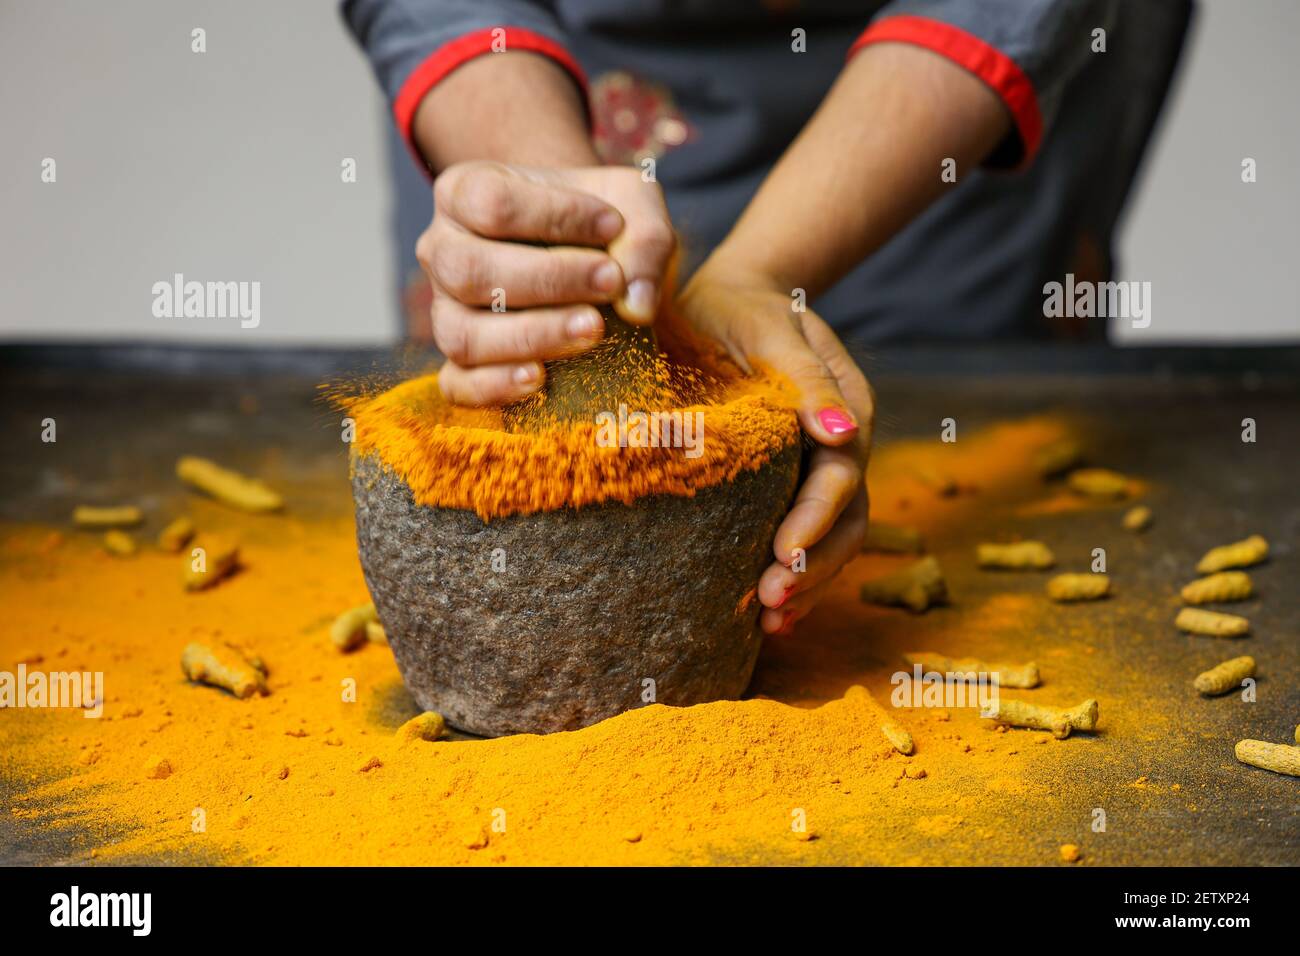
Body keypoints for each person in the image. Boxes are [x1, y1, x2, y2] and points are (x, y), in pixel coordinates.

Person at [342, 0, 1191, 635]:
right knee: (527, 362)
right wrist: (554, 205)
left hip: (941, 131)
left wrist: (762, 274)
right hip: (542, 84)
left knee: (949, 412)